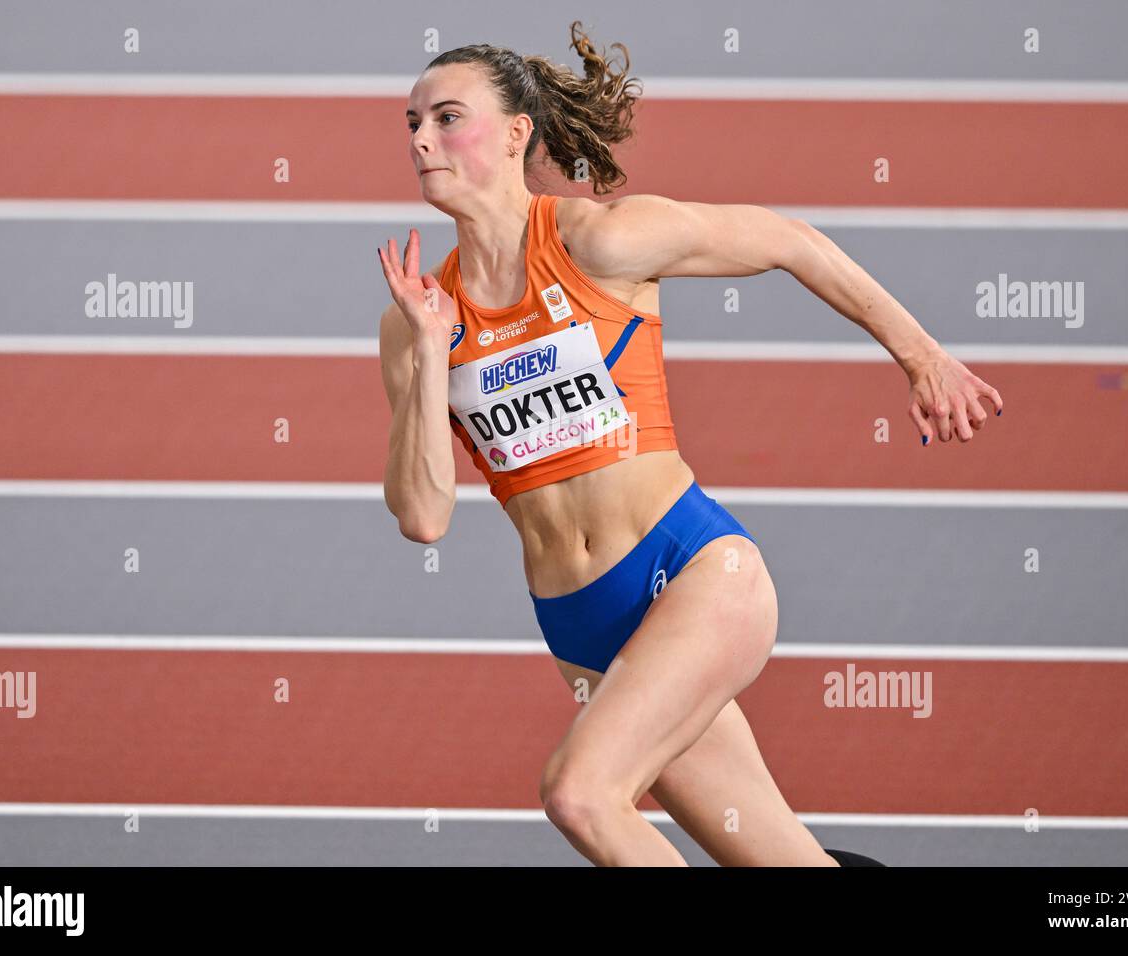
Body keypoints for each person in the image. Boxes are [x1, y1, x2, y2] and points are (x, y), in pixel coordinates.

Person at [377, 21, 1001, 867]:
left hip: (698, 574)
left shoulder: (600, 241)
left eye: (447, 117)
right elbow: (424, 517)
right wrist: (425, 348)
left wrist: (923, 358)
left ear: (518, 134)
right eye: (411, 123)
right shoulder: (415, 318)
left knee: (581, 795)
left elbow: (786, 239)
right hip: (582, 628)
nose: (421, 138)